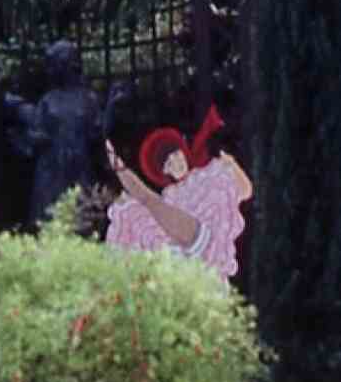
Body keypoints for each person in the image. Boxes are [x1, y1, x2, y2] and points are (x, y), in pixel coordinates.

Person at [104, 106, 251, 280]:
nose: (176, 163)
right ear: (164, 173)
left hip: (212, 252)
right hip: (191, 259)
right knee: (141, 209)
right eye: (169, 163)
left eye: (176, 155)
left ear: (183, 150)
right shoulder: (171, 195)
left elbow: (244, 191)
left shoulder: (210, 174)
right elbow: (158, 220)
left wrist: (231, 164)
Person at [6, 40, 107, 223]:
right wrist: (25, 137)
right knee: (50, 219)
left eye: (55, 64)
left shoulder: (88, 99)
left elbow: (97, 134)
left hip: (79, 169)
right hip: (51, 172)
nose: (51, 70)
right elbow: (37, 133)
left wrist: (112, 109)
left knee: (81, 219)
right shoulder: (48, 100)